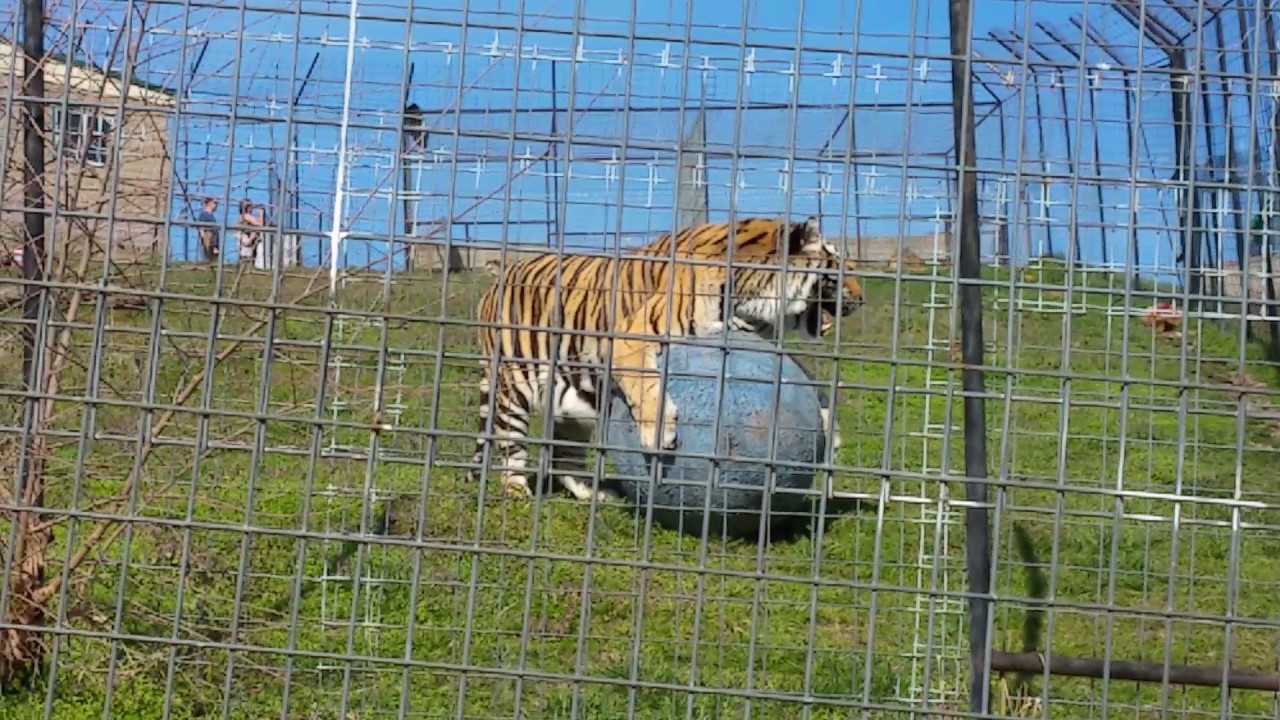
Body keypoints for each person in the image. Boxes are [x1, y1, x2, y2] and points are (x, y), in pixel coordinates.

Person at [237, 199, 266, 265]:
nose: (252, 208)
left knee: (247, 260)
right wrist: (261, 213)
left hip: (246, 241)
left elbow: (255, 224)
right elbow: (260, 225)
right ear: (247, 207)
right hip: (247, 241)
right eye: (251, 206)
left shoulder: (242, 216)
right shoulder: (246, 216)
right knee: (247, 260)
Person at [195, 197, 220, 261]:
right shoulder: (204, 214)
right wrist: (207, 242)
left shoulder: (211, 215)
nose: (216, 205)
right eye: (215, 203)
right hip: (209, 244)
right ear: (209, 203)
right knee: (208, 260)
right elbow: (201, 229)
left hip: (213, 244)